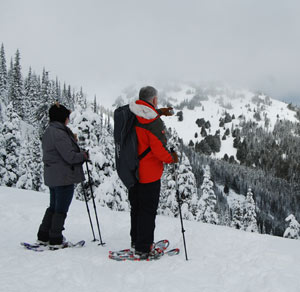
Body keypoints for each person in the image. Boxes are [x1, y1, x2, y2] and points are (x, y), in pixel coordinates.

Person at [128, 86, 178, 259]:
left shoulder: (132, 113)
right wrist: (172, 158)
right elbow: (159, 150)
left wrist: (159, 112)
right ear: (154, 100)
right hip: (148, 174)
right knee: (148, 211)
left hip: (132, 171)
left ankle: (136, 241)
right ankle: (143, 248)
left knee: (137, 208)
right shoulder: (153, 122)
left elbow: (145, 118)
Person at [37, 102, 88, 247]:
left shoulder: (50, 131)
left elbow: (58, 152)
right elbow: (70, 157)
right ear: (62, 118)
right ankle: (55, 238)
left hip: (53, 176)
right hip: (63, 177)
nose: (68, 119)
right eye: (67, 116)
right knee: (61, 209)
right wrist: (83, 156)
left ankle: (43, 235)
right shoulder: (59, 134)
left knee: (53, 207)